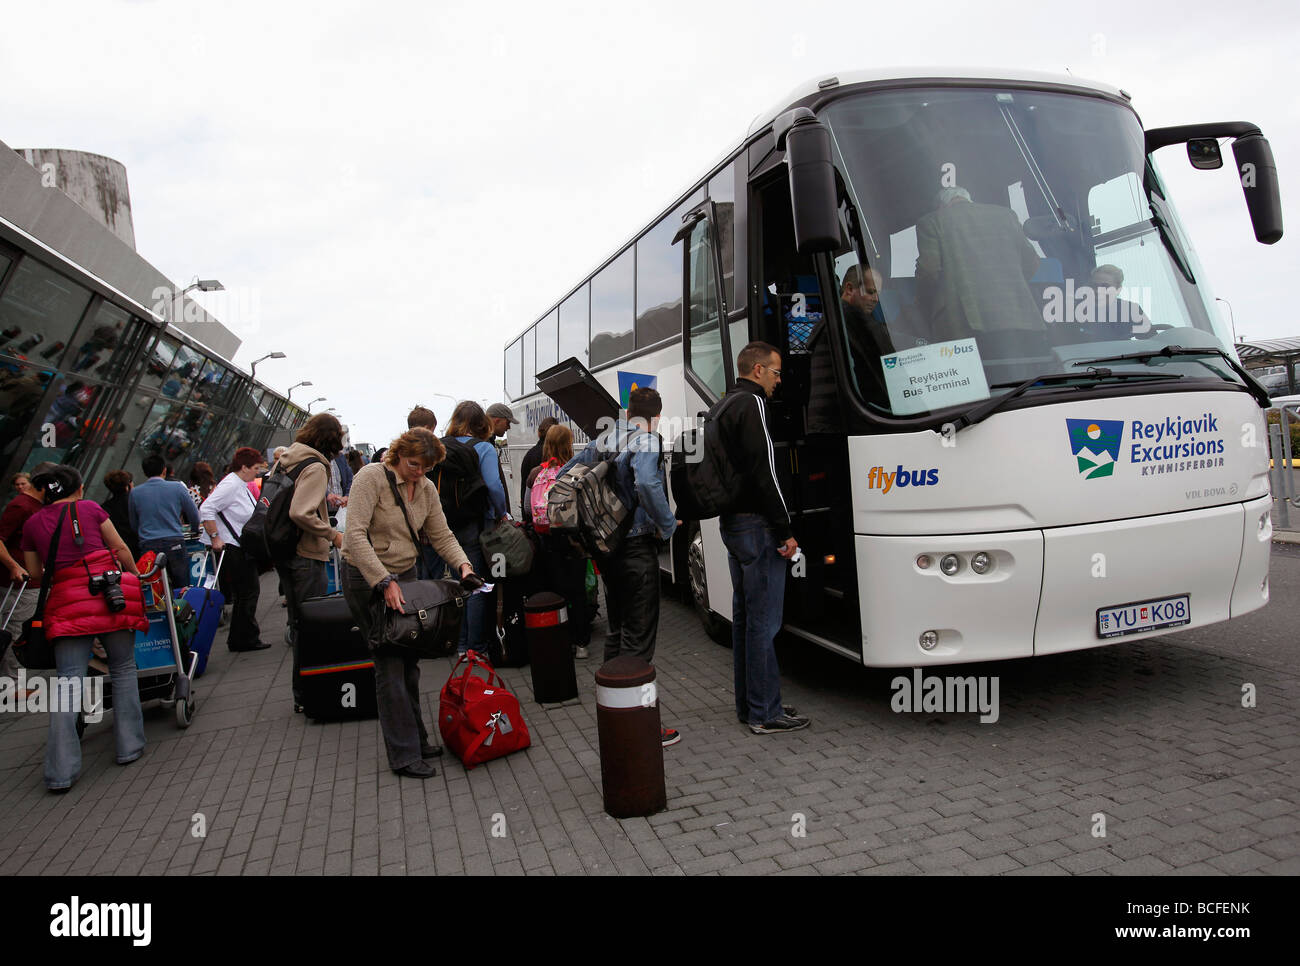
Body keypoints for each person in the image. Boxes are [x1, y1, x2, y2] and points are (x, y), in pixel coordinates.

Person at [341, 428, 480, 779]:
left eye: (426, 467)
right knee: (389, 665)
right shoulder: (370, 478)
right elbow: (354, 534)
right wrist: (382, 581)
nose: (419, 472)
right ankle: (403, 754)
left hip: (404, 574)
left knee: (409, 660)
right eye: (414, 464)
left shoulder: (427, 487)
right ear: (397, 454)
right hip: (366, 577)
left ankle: (416, 738)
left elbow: (441, 533)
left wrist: (463, 565)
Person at [560, 387, 679, 745]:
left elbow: (565, 474)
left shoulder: (603, 439)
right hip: (636, 548)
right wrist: (668, 523)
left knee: (617, 630)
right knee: (639, 640)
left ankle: (612, 712)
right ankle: (639, 727)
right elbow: (646, 482)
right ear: (656, 415)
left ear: (628, 412)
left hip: (607, 551)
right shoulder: (647, 440)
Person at [21, 464, 148, 792]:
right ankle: (128, 747)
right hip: (110, 596)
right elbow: (119, 548)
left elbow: (35, 574)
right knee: (122, 668)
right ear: (77, 488)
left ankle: (60, 773)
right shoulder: (91, 509)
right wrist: (136, 576)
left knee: (67, 683)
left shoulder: (33, 523)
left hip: (65, 607)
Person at [716, 342, 810, 735]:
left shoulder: (722, 405)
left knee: (744, 619)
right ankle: (766, 712)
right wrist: (785, 530)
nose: (778, 380)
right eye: (775, 372)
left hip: (733, 524)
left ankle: (751, 704)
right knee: (764, 622)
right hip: (757, 526)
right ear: (757, 370)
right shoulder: (752, 405)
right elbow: (766, 471)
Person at [275, 413, 346, 712]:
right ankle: (308, 692)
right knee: (311, 625)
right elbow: (300, 512)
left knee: (299, 624)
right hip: (305, 552)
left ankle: (303, 692)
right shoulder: (316, 465)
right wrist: (331, 534)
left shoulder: (289, 458)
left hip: (285, 550)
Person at [915, 186, 1042, 342]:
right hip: (1017, 318)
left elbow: (929, 269)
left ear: (940, 205)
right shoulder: (1006, 216)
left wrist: (925, 298)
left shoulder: (933, 221)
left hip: (963, 323)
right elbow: (1032, 262)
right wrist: (1011, 288)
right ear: (968, 199)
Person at [441, 402, 508, 655]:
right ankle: (476, 647)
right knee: (476, 582)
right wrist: (501, 512)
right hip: (476, 522)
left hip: (446, 525)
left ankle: (458, 643)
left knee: (458, 581)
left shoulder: (442, 447)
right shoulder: (484, 448)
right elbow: (493, 485)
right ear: (482, 423)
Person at [808, 264, 896, 431]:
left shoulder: (832, 319)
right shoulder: (850, 320)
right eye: (871, 292)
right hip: (843, 427)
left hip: (829, 426)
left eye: (878, 293)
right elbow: (889, 357)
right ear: (849, 289)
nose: (876, 299)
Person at [529, 424, 591, 658]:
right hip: (572, 538)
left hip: (547, 538)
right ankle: (582, 642)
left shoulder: (538, 473)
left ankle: (561, 639)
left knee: (556, 591)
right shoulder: (577, 470)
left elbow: (528, 507)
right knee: (578, 592)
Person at [200, 447, 270, 651]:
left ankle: (242, 637)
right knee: (248, 592)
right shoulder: (231, 484)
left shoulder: (238, 483)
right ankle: (245, 638)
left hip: (238, 544)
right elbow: (206, 508)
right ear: (244, 467)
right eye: (255, 468)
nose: (256, 472)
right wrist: (215, 537)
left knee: (246, 593)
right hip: (233, 546)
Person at [0, 469, 47, 687]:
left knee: (19, 627)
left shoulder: (38, 507)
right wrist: (14, 566)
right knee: (15, 629)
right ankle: (12, 683)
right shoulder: (21, 506)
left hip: (33, 581)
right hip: (19, 583)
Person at [129, 453, 200, 593]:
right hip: (174, 542)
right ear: (164, 470)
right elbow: (193, 515)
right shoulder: (177, 488)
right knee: (182, 587)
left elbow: (133, 523)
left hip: (148, 545)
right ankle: (183, 611)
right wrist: (195, 529)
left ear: (144, 472)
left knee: (154, 587)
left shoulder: (135, 493)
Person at [519, 416, 559, 520]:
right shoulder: (551, 457)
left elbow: (525, 490)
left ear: (539, 432)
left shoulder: (530, 454)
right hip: (548, 519)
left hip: (533, 517)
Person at [101, 470, 139, 559]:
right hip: (138, 548)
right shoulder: (137, 500)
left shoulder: (104, 508)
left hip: (118, 553)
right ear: (128, 485)